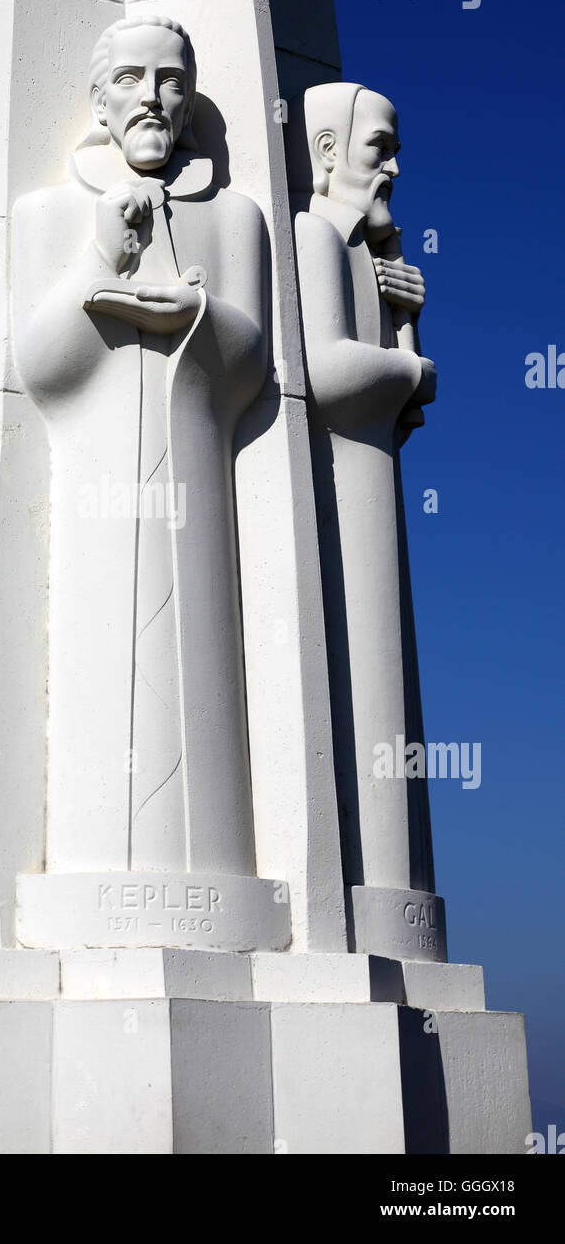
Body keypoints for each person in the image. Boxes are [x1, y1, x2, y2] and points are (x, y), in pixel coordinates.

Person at [12, 17, 269, 875]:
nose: (154, 97)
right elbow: (39, 363)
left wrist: (190, 316)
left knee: (201, 667)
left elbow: (254, 356)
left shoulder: (233, 216)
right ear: (97, 99)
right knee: (102, 673)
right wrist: (101, 262)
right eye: (130, 78)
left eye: (171, 80)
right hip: (90, 486)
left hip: (198, 471)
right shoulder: (51, 213)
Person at [286, 83, 439, 948]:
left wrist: (405, 321)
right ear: (330, 152)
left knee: (387, 670)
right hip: (344, 484)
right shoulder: (311, 236)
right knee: (360, 662)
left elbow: (387, 385)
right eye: (379, 146)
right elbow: (332, 371)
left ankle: (393, 899)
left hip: (372, 479)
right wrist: (410, 365)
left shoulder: (365, 253)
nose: (393, 164)